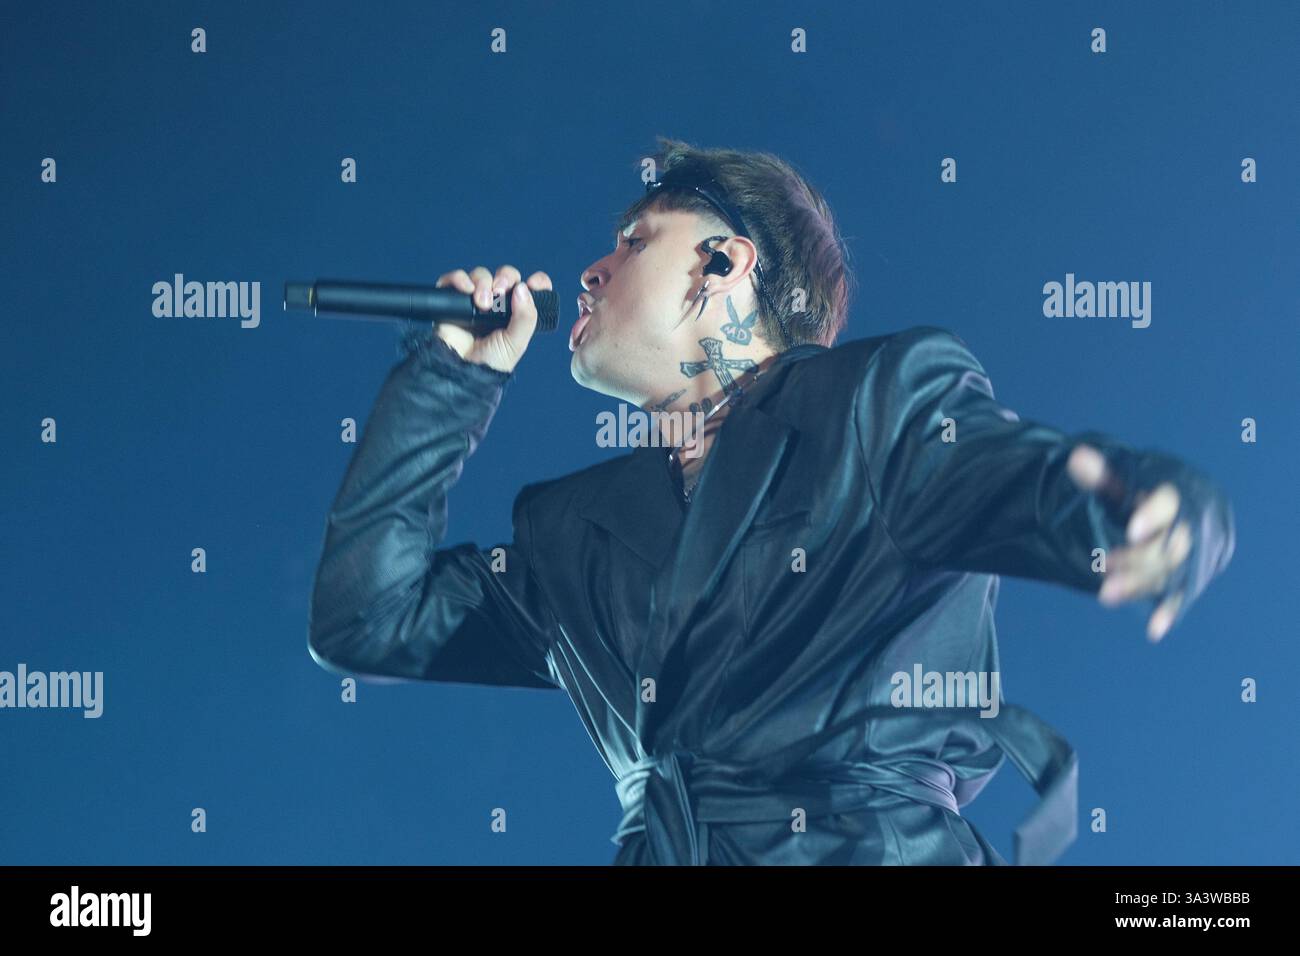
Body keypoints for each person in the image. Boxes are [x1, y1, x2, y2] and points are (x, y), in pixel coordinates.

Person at [306, 138, 1235, 865]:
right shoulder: (564, 531)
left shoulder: (879, 401)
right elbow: (367, 618)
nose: (590, 271)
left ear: (723, 264)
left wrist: (1153, 514)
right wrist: (447, 383)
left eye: (631, 242)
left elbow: (1030, 480)